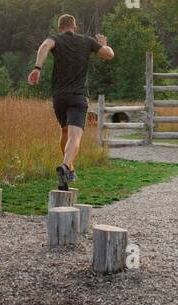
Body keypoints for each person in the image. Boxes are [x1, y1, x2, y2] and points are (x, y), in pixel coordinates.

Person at [27, 13, 114, 188]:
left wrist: (37, 68)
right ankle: (66, 166)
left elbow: (44, 46)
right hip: (78, 96)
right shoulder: (86, 41)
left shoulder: (55, 39)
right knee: (75, 136)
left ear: (60, 28)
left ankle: (69, 168)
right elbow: (109, 55)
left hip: (59, 97)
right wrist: (104, 45)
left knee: (64, 132)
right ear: (75, 27)